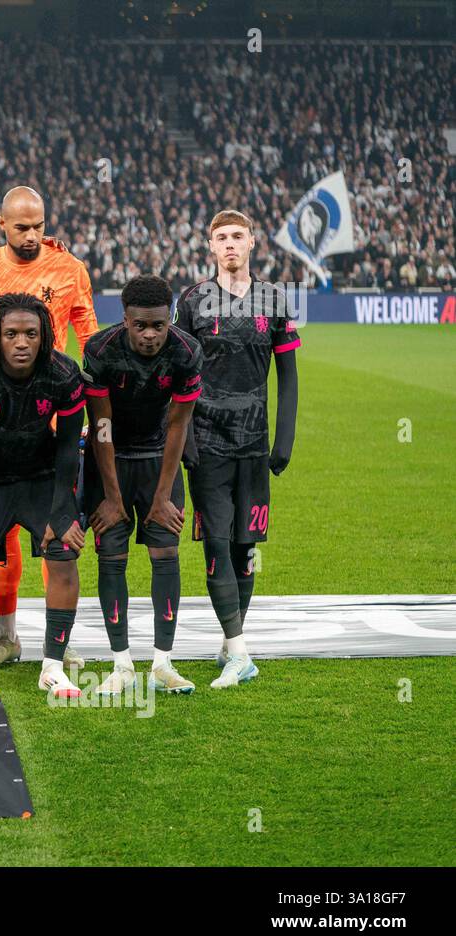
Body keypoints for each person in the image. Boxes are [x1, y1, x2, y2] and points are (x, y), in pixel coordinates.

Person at [0, 186, 97, 669]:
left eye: (40, 226)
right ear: (1, 224)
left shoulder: (70, 269)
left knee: (58, 530)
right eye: (22, 227)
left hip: (54, 421)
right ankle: (5, 637)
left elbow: (90, 333)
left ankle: (58, 639)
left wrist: (90, 402)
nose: (32, 236)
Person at [173, 209, 300, 689]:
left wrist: (283, 439)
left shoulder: (275, 300)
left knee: (246, 546)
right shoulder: (192, 302)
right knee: (216, 542)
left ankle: (233, 641)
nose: (230, 244)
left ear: (253, 242)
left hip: (254, 443)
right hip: (207, 443)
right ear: (210, 247)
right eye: (221, 237)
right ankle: (240, 652)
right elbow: (179, 377)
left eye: (237, 236)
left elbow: (287, 376)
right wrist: (184, 439)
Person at [0, 293, 85, 699]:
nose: (22, 342)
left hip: (41, 476)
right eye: (11, 334)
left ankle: (53, 667)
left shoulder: (64, 374)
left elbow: (67, 448)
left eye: (31, 333)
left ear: (45, 336)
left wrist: (63, 509)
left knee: (64, 550)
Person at [82, 274, 202, 695]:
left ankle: (163, 664)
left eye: (158, 325)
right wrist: (112, 497)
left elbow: (178, 424)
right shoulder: (100, 349)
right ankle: (121, 666)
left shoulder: (186, 352)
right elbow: (100, 425)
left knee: (165, 552)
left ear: (170, 319)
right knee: (111, 555)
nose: (150, 335)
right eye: (140, 326)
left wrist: (164, 494)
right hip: (109, 458)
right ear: (125, 319)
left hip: (158, 458)